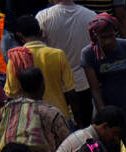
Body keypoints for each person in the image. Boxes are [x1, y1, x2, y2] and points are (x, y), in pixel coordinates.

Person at [80, 14, 126, 152]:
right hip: (107, 114)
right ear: (96, 37)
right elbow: (95, 89)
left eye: (111, 36)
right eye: (103, 37)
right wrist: (106, 119)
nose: (108, 41)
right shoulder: (89, 54)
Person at [0, 68, 72, 152]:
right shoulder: (52, 113)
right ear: (42, 86)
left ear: (21, 88)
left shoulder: (9, 109)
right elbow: (68, 144)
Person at [5, 16, 76, 123]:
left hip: (32, 119)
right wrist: (78, 121)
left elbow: (11, 93)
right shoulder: (58, 54)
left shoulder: (16, 59)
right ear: (40, 32)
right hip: (60, 115)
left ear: (19, 35)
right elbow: (71, 91)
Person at [38, 0, 96, 128]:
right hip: (83, 81)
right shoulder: (91, 16)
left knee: (57, 127)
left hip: (56, 84)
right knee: (85, 126)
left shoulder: (43, 17)